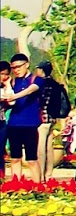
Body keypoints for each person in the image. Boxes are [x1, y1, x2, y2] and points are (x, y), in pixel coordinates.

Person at [3, 52, 42, 181]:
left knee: (31, 159)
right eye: (13, 68)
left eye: (19, 66)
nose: (16, 70)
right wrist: (8, 86)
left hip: (30, 124)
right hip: (14, 124)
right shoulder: (13, 82)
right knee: (15, 158)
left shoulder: (36, 79)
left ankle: (38, 185)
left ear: (27, 65)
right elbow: (10, 103)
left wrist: (15, 96)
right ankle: (16, 184)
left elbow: (31, 90)